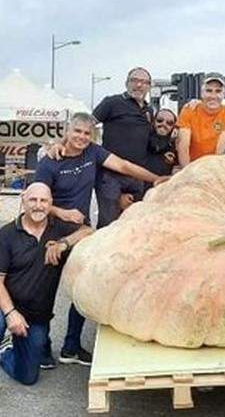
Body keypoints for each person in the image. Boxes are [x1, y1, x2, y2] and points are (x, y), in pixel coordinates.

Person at [33, 112, 168, 366]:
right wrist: (62, 211)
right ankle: (41, 347)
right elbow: (35, 201)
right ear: (67, 131)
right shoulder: (50, 162)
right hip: (50, 232)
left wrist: (156, 179)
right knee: (45, 290)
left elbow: (125, 166)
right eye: (78, 132)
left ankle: (71, 347)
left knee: (81, 287)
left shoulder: (94, 153)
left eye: (87, 133)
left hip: (80, 232)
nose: (82, 137)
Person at [0, 182, 94, 410]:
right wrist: (10, 313)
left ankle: (6, 349)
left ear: (51, 204)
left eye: (44, 201)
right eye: (33, 200)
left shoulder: (58, 228)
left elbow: (88, 230)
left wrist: (65, 243)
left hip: (36, 312)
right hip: (2, 301)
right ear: (23, 201)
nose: (38, 206)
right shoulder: (7, 234)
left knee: (28, 377)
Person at [90, 67, 155, 228]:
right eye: (134, 80)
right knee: (108, 224)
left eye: (143, 82)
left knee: (133, 224)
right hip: (111, 176)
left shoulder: (149, 110)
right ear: (126, 83)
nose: (138, 85)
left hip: (137, 176)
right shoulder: (112, 102)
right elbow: (87, 124)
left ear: (149, 87)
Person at [175, 73, 225, 168]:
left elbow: (220, 148)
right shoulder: (189, 110)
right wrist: (187, 172)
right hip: (191, 166)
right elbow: (183, 146)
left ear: (224, 94)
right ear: (202, 93)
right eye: (209, 91)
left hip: (216, 166)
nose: (213, 96)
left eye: (218, 91)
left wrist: (211, 172)